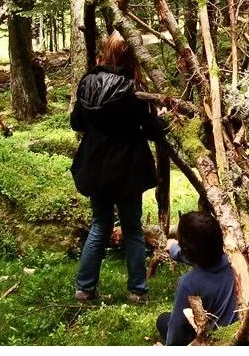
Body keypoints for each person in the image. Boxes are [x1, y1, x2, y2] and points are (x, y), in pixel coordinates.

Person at [71, 31, 167, 303]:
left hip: (96, 166)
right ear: (132, 54)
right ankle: (137, 291)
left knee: (100, 224)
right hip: (127, 168)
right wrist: (163, 119)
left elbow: (76, 123)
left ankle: (84, 288)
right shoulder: (133, 87)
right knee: (133, 228)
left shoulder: (88, 81)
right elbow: (152, 131)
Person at [156, 211, 238, 346]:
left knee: (164, 320)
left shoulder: (188, 284)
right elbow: (203, 255)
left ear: (187, 249)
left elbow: (176, 334)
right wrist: (174, 249)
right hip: (235, 332)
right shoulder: (232, 260)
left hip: (211, 341)